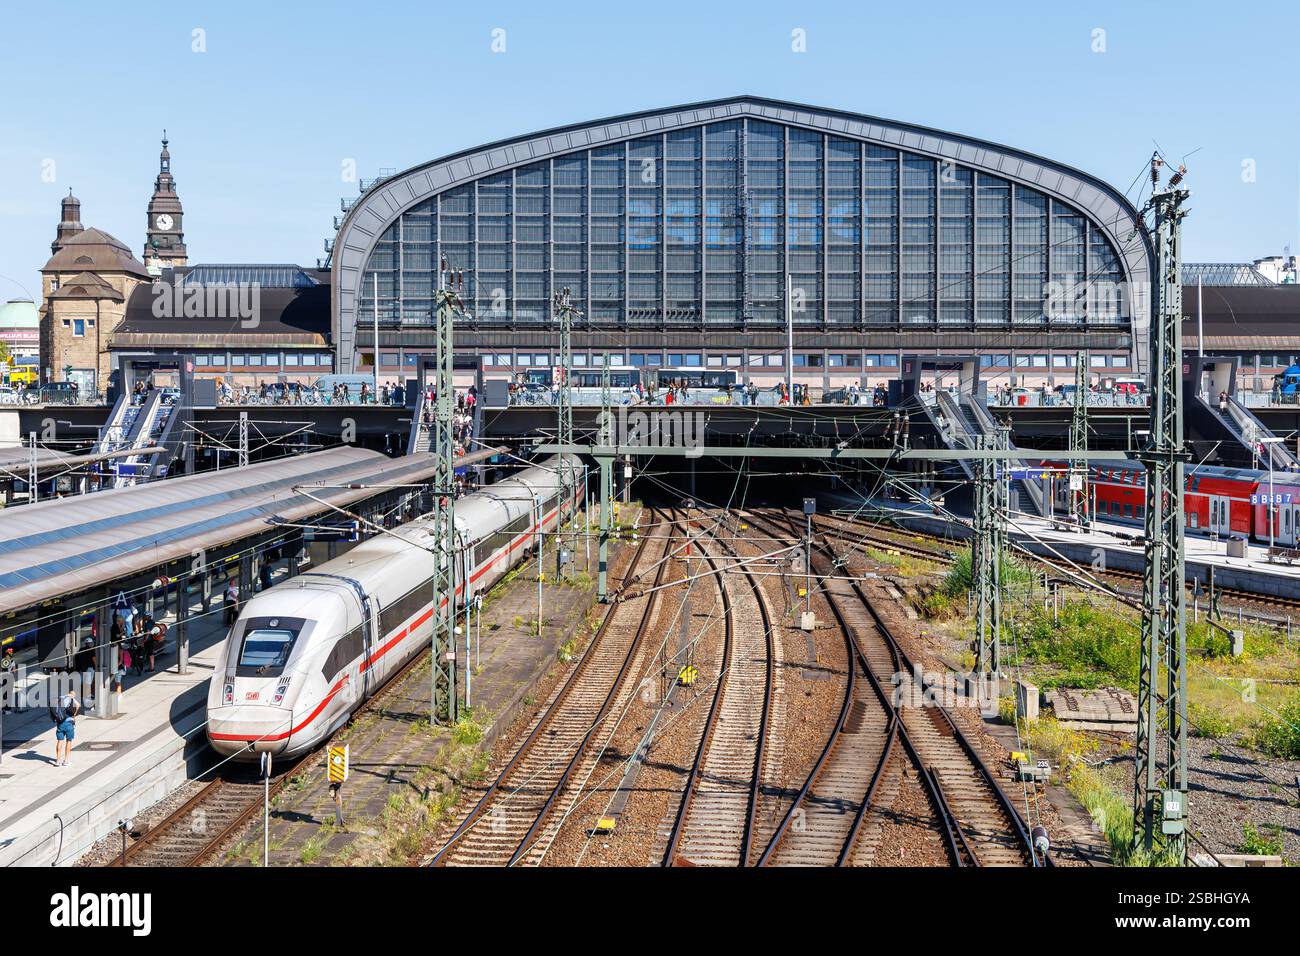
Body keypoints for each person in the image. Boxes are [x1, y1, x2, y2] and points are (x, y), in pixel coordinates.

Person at [50, 688, 79, 767]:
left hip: (60, 723)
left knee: (60, 741)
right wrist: (74, 715)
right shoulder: (71, 699)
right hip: (69, 723)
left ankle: (58, 760)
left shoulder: (61, 698)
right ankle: (66, 760)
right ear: (72, 694)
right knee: (69, 741)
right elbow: (78, 705)